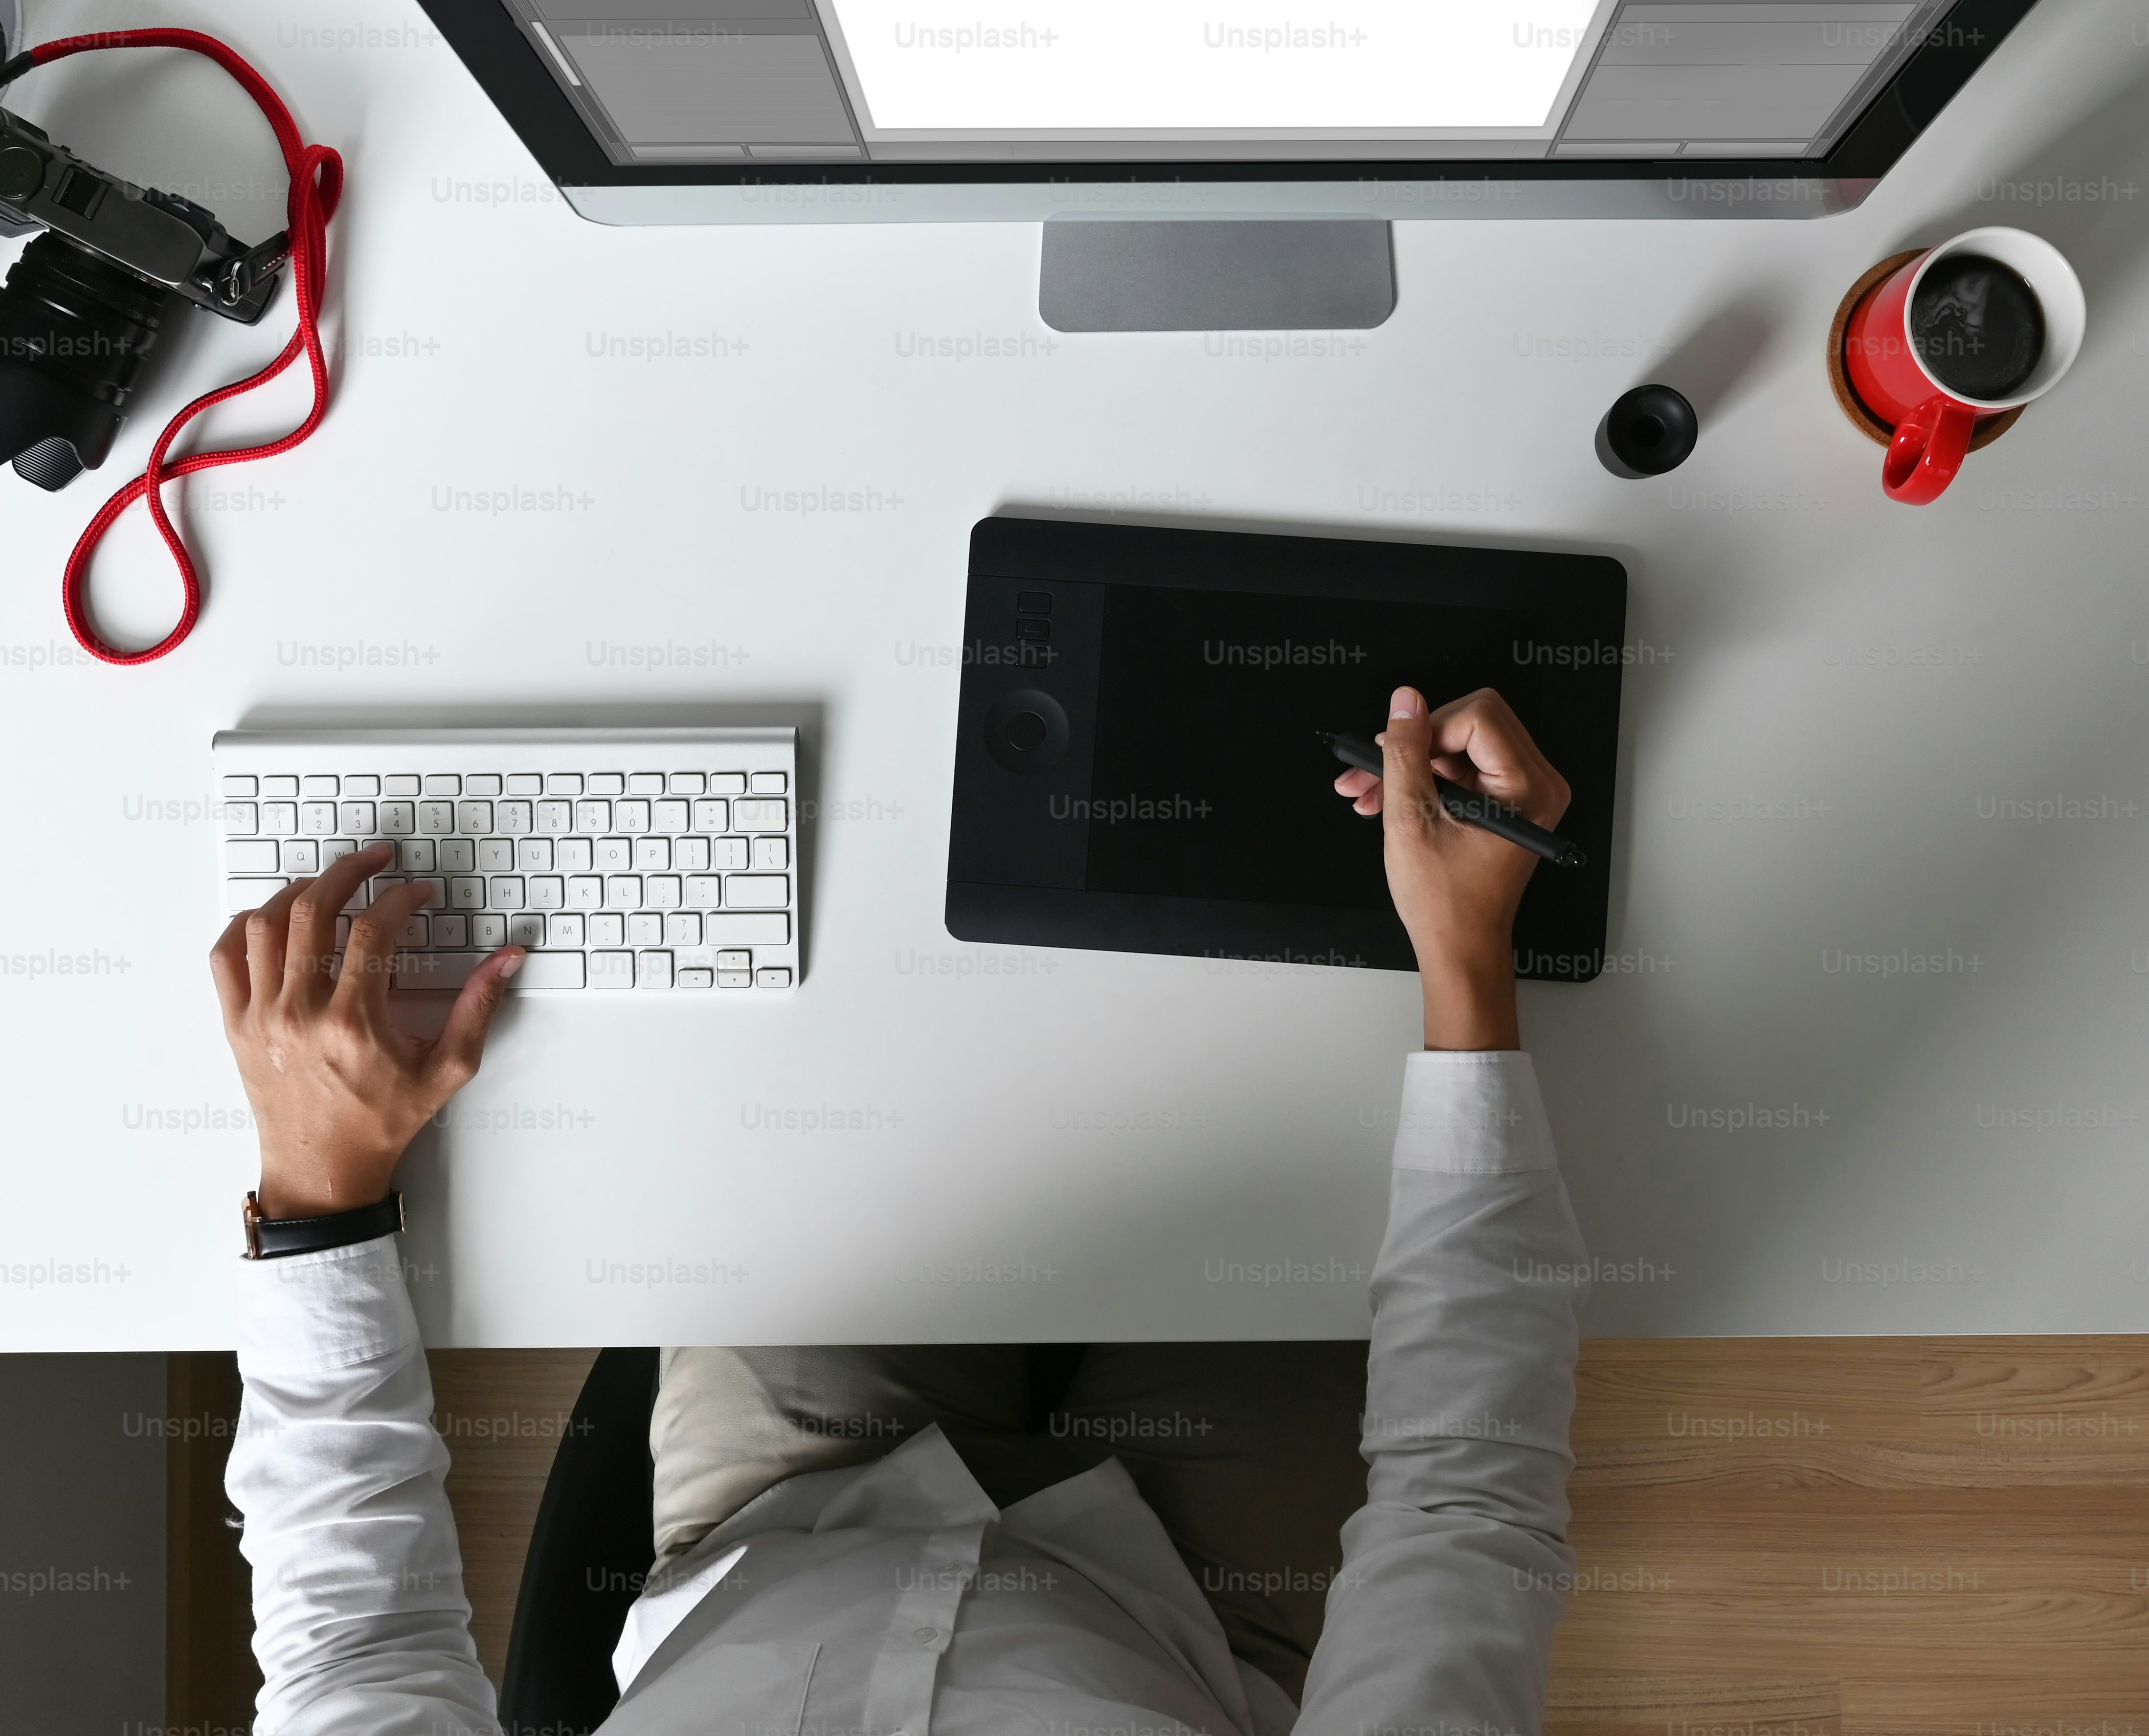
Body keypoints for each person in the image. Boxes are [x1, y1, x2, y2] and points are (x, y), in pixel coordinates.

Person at [219, 684, 1593, 1736]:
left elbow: (358, 1653)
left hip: (791, 1521)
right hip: (1200, 1620)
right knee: (1290, 1145)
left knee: (837, 1043)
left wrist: (319, 1198)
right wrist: (1467, 963)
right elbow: (1461, 1499)